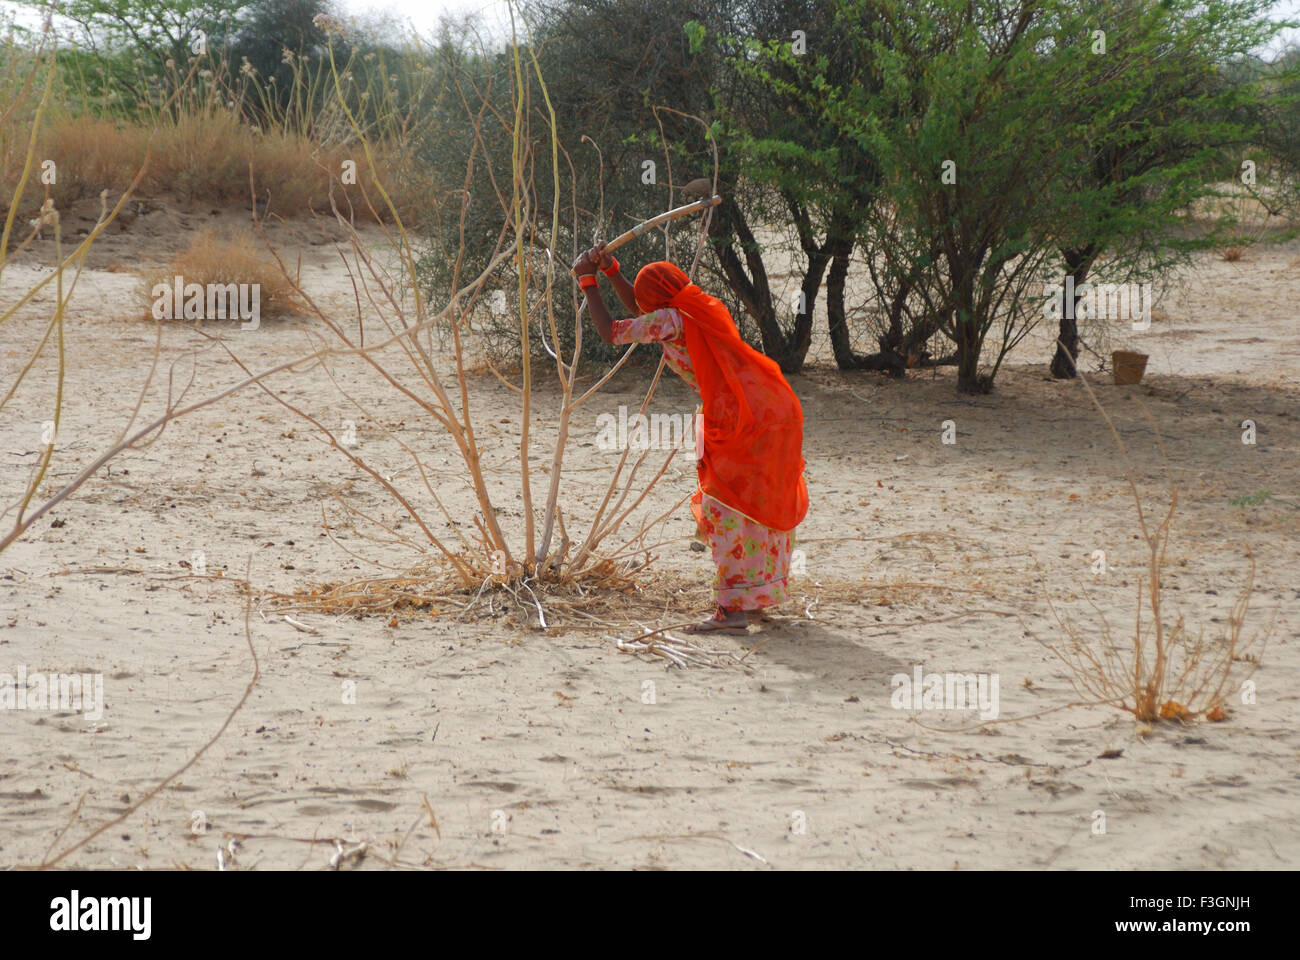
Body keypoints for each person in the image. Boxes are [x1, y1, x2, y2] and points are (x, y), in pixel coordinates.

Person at [572, 243, 809, 633]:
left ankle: (732, 611)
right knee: (759, 500)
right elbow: (643, 308)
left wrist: (587, 281)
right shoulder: (702, 305)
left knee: (726, 506)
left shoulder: (674, 319)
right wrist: (611, 269)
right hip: (774, 405)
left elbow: (612, 332)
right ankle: (755, 597)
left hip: (741, 418)